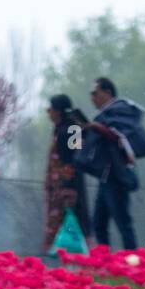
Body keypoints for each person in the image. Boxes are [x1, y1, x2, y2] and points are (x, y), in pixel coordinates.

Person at [83, 78, 140, 250]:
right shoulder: (102, 117)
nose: (92, 98)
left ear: (107, 93)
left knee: (123, 222)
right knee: (99, 223)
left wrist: (98, 128)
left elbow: (120, 136)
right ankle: (105, 263)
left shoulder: (121, 110)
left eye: (95, 93)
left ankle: (134, 263)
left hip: (117, 175)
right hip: (105, 175)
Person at [43, 94, 94, 254]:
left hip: (69, 188)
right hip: (58, 189)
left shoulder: (72, 128)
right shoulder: (59, 129)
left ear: (58, 111)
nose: (48, 112)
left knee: (74, 225)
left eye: (50, 108)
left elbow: (75, 160)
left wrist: (69, 187)